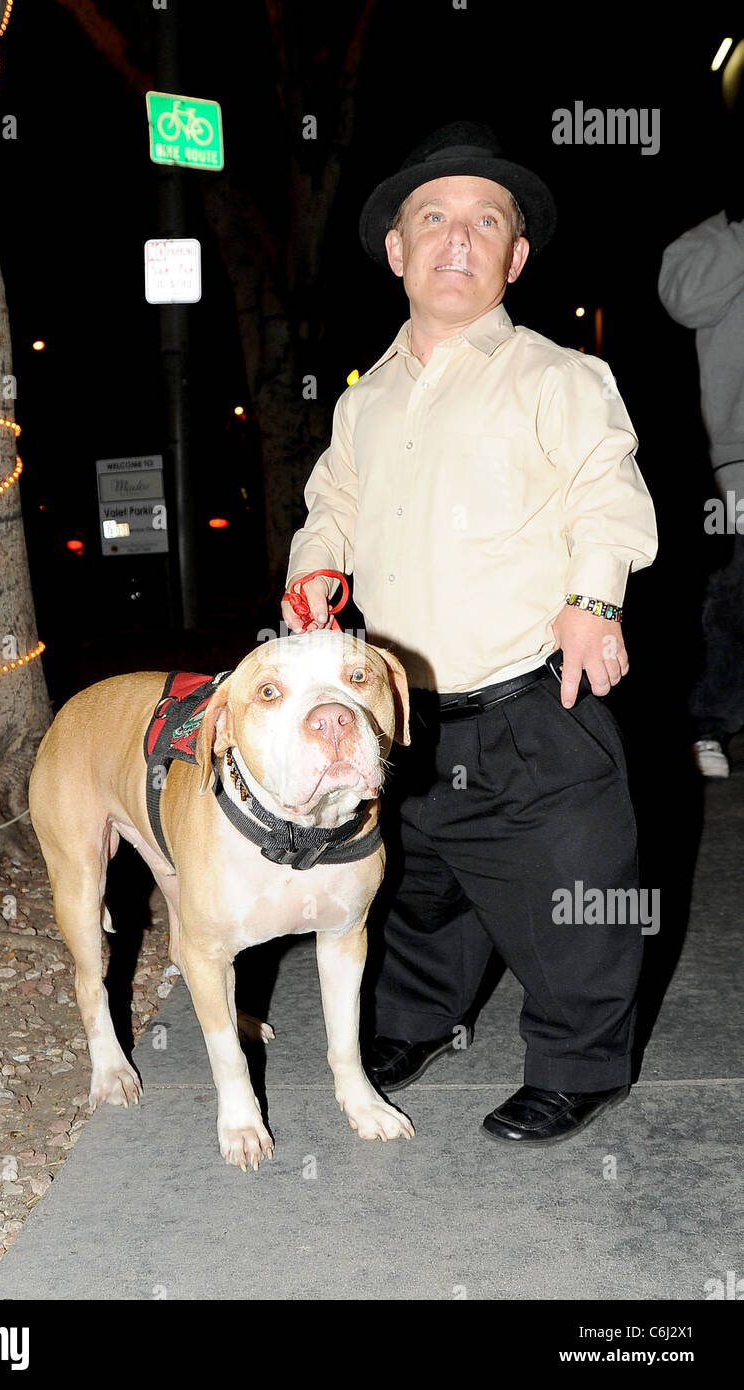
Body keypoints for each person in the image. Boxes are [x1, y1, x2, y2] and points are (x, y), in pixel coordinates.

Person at [281, 122, 658, 1145]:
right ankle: (413, 1020)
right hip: (405, 708)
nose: (458, 238)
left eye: (483, 222)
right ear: (397, 251)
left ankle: (581, 1065)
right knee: (419, 887)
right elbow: (334, 501)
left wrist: (596, 595)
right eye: (432, 219)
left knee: (571, 893)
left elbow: (606, 492)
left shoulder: (554, 375)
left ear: (513, 257)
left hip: (533, 702)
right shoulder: (366, 399)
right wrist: (314, 565)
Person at [657, 170, 744, 778]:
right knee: (728, 596)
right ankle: (707, 724)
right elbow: (683, 300)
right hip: (736, 455)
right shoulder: (707, 241)